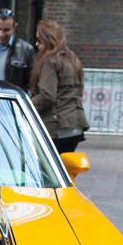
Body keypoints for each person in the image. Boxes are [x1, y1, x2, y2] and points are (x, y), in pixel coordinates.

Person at [29, 18, 89, 154]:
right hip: (75, 125)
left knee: (45, 173)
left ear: (47, 39)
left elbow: (47, 96)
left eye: (39, 40)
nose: (37, 44)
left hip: (57, 126)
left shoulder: (50, 61)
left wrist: (26, 106)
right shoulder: (72, 57)